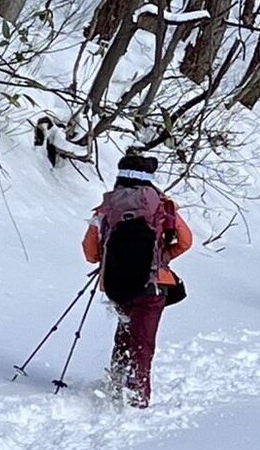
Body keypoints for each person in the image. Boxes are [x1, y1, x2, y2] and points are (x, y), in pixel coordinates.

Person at [82, 151, 193, 407]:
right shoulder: (162, 206)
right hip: (153, 285)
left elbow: (90, 253)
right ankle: (138, 397)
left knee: (124, 335)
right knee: (143, 342)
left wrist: (112, 260)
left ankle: (116, 385)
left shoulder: (107, 208)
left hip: (118, 284)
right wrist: (161, 257)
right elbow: (186, 241)